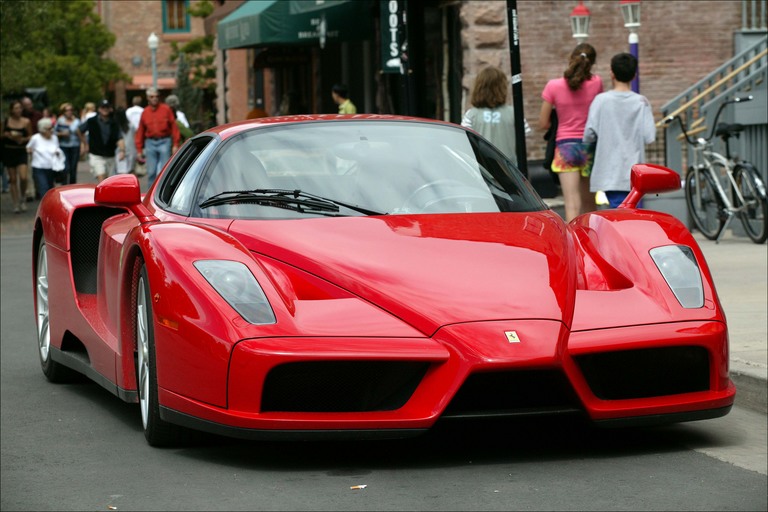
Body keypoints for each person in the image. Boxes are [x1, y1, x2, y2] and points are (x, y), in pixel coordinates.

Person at [538, 43, 603, 222]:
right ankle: (590, 236)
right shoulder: (597, 82)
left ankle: (573, 239)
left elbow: (543, 123)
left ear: (571, 59)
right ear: (592, 63)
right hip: (589, 146)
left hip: (565, 147)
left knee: (572, 204)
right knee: (590, 203)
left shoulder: (553, 86)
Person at [584, 53, 656, 209]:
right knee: (634, 214)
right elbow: (649, 136)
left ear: (612, 73)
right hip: (635, 173)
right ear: (634, 75)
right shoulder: (641, 102)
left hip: (609, 171)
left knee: (619, 214)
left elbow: (589, 134)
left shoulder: (601, 100)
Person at [461, 66, 531, 166]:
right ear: (502, 88)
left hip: (482, 169)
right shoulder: (515, 113)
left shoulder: (471, 115)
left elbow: (465, 142)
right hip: (509, 169)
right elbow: (524, 138)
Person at [135, 87, 180, 185]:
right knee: (151, 172)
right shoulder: (145, 112)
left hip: (164, 141)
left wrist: (175, 144)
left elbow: (174, 127)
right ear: (148, 98)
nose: (154, 98)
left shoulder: (166, 109)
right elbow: (140, 131)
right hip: (150, 142)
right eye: (152, 97)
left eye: (156, 96)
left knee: (164, 171)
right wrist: (139, 150)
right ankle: (150, 192)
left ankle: (163, 191)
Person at [77, 99, 125, 183]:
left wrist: (122, 150)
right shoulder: (92, 121)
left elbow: (119, 138)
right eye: (103, 107)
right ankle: (102, 191)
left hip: (110, 155)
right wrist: (85, 144)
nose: (105, 109)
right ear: (99, 109)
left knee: (109, 180)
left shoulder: (114, 123)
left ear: (110, 109)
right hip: (96, 155)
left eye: (107, 107)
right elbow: (79, 130)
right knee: (101, 176)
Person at [2, 100, 32, 212]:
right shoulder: (6, 121)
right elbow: (1, 135)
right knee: (13, 179)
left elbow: (30, 136)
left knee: (23, 177)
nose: (19, 110)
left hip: (21, 151)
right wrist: (6, 135)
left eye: (20, 108)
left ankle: (22, 198)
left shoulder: (26, 121)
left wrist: (22, 139)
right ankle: (15, 203)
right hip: (9, 151)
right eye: (16, 108)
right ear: (11, 110)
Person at [27, 117, 62, 199]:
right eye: (49, 129)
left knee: (50, 188)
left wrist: (57, 152)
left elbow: (57, 148)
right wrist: (31, 151)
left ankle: (49, 203)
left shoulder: (54, 138)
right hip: (39, 166)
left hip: (51, 167)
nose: (51, 130)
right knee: (43, 187)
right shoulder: (35, 138)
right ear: (42, 130)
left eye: (52, 128)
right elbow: (28, 147)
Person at [54, 102, 82, 185]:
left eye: (71, 110)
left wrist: (84, 145)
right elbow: (54, 132)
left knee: (73, 168)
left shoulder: (77, 121)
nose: (69, 112)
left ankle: (73, 186)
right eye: (67, 110)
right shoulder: (60, 120)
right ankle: (64, 186)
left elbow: (81, 134)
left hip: (75, 146)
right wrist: (62, 134)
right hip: (63, 146)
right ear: (63, 112)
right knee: (65, 168)